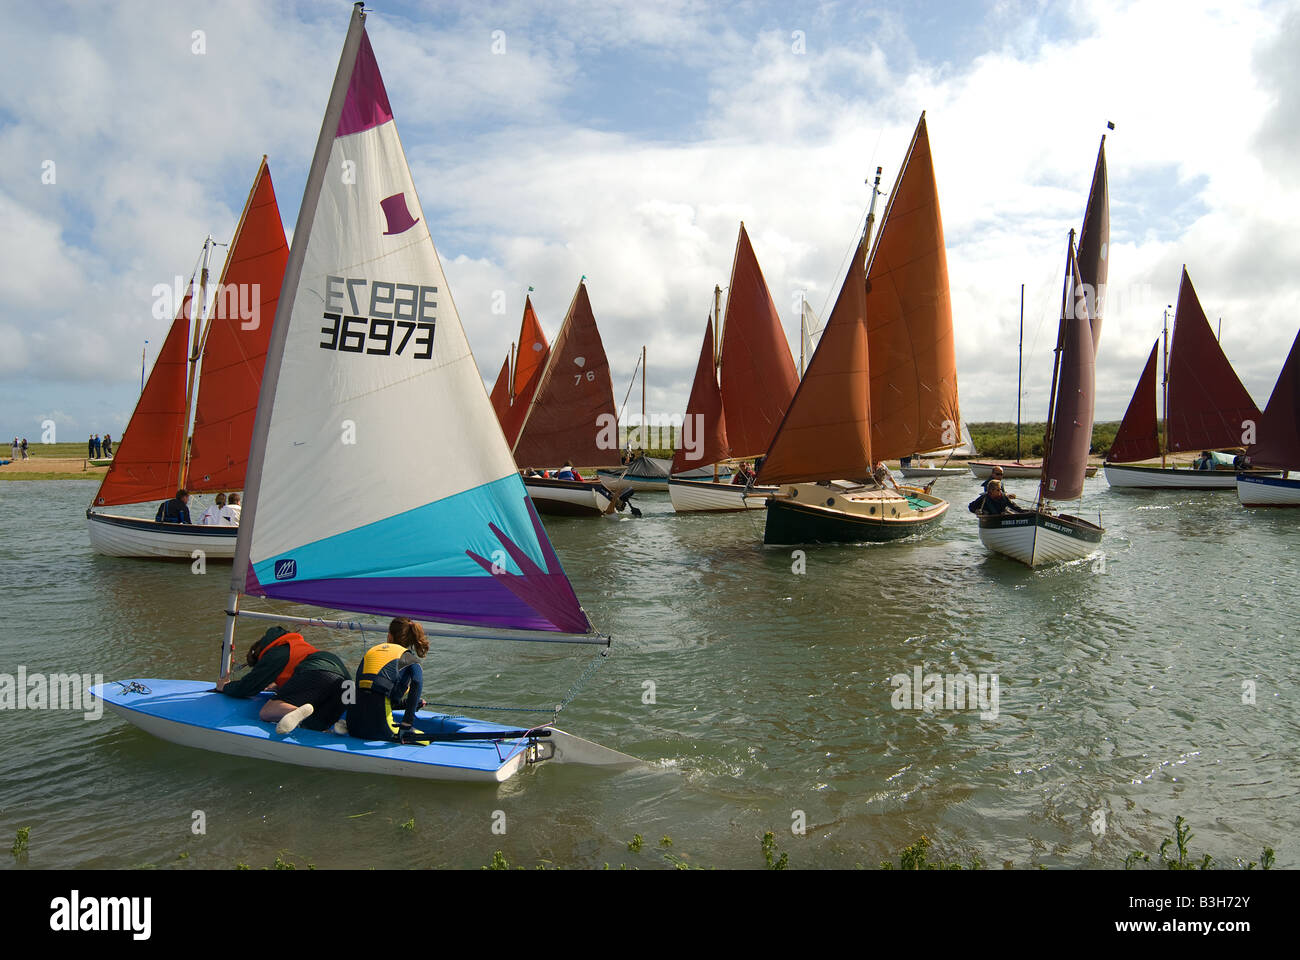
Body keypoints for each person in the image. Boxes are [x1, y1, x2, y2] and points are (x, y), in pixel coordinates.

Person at [216, 625, 350, 734]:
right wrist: (279, 685)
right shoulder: (296, 644)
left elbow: (248, 687)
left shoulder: (275, 653)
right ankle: (340, 724)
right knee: (318, 723)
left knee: (267, 712)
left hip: (318, 672)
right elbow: (305, 678)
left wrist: (225, 686)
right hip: (346, 683)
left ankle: (297, 713)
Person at [347, 617, 432, 743]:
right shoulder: (408, 658)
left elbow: (371, 692)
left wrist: (408, 704)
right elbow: (417, 682)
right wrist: (407, 724)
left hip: (352, 725)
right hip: (379, 729)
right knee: (429, 741)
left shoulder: (372, 651)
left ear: (389, 636)